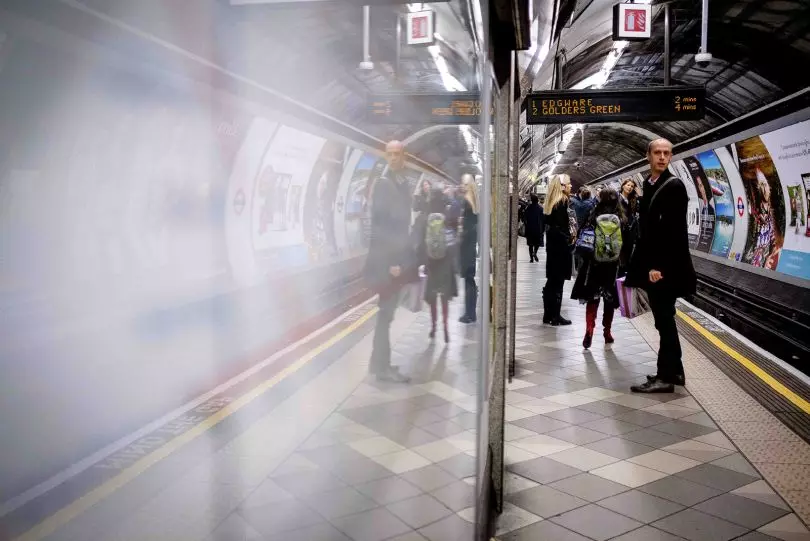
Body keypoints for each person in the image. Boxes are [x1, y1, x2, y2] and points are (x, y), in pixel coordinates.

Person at [626, 138, 696, 393]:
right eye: (658, 153)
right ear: (648, 156)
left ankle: (665, 377)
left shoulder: (674, 186)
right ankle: (675, 371)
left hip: (664, 270)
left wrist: (657, 267)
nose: (663, 157)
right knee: (663, 321)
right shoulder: (650, 183)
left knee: (664, 321)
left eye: (667, 153)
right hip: (655, 266)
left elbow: (674, 233)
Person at [364, 141, 415, 383]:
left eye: (398, 154)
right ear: (386, 157)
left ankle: (380, 364)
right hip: (387, 264)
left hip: (394, 261)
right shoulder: (385, 185)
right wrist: (391, 263)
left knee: (388, 314)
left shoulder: (399, 183)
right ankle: (380, 368)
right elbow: (382, 226)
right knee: (385, 315)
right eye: (390, 154)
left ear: (404, 156)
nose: (394, 158)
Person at [571, 188, 625, 348]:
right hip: (613, 266)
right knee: (609, 300)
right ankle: (607, 333)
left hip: (594, 265)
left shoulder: (593, 215)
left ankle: (589, 330)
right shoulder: (621, 218)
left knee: (593, 299)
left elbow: (584, 236)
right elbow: (628, 241)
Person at [421, 187, 459, 341]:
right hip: (445, 263)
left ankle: (433, 326)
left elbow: (420, 244)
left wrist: (424, 262)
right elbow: (453, 242)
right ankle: (445, 328)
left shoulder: (425, 218)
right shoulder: (447, 217)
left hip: (431, 263)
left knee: (432, 297)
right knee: (444, 297)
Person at [542, 174, 574, 326]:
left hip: (552, 247)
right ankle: (556, 316)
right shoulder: (562, 201)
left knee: (551, 281)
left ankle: (548, 314)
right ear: (561, 186)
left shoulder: (550, 203)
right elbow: (562, 228)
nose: (570, 186)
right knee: (558, 282)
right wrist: (569, 239)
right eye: (568, 183)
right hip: (560, 248)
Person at [459, 176, 479, 323]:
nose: (463, 186)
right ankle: (471, 312)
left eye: (466, 184)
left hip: (466, 247)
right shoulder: (474, 202)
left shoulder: (467, 201)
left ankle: (469, 314)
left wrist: (460, 231)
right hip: (471, 246)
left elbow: (467, 228)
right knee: (470, 279)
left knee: (468, 280)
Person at [619, 178, 640, 275]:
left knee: (626, 258)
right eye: (628, 185)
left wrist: (639, 196)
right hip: (619, 232)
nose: (630, 188)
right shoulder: (616, 198)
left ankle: (621, 282)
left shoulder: (633, 200)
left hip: (629, 234)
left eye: (632, 186)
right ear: (623, 186)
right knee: (618, 258)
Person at [524, 194, 545, 262]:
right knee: (537, 243)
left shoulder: (528, 208)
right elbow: (543, 219)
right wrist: (543, 229)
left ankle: (531, 259)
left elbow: (524, 218)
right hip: (538, 229)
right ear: (537, 200)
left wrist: (526, 225)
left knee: (530, 244)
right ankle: (535, 253)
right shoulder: (541, 209)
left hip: (530, 229)